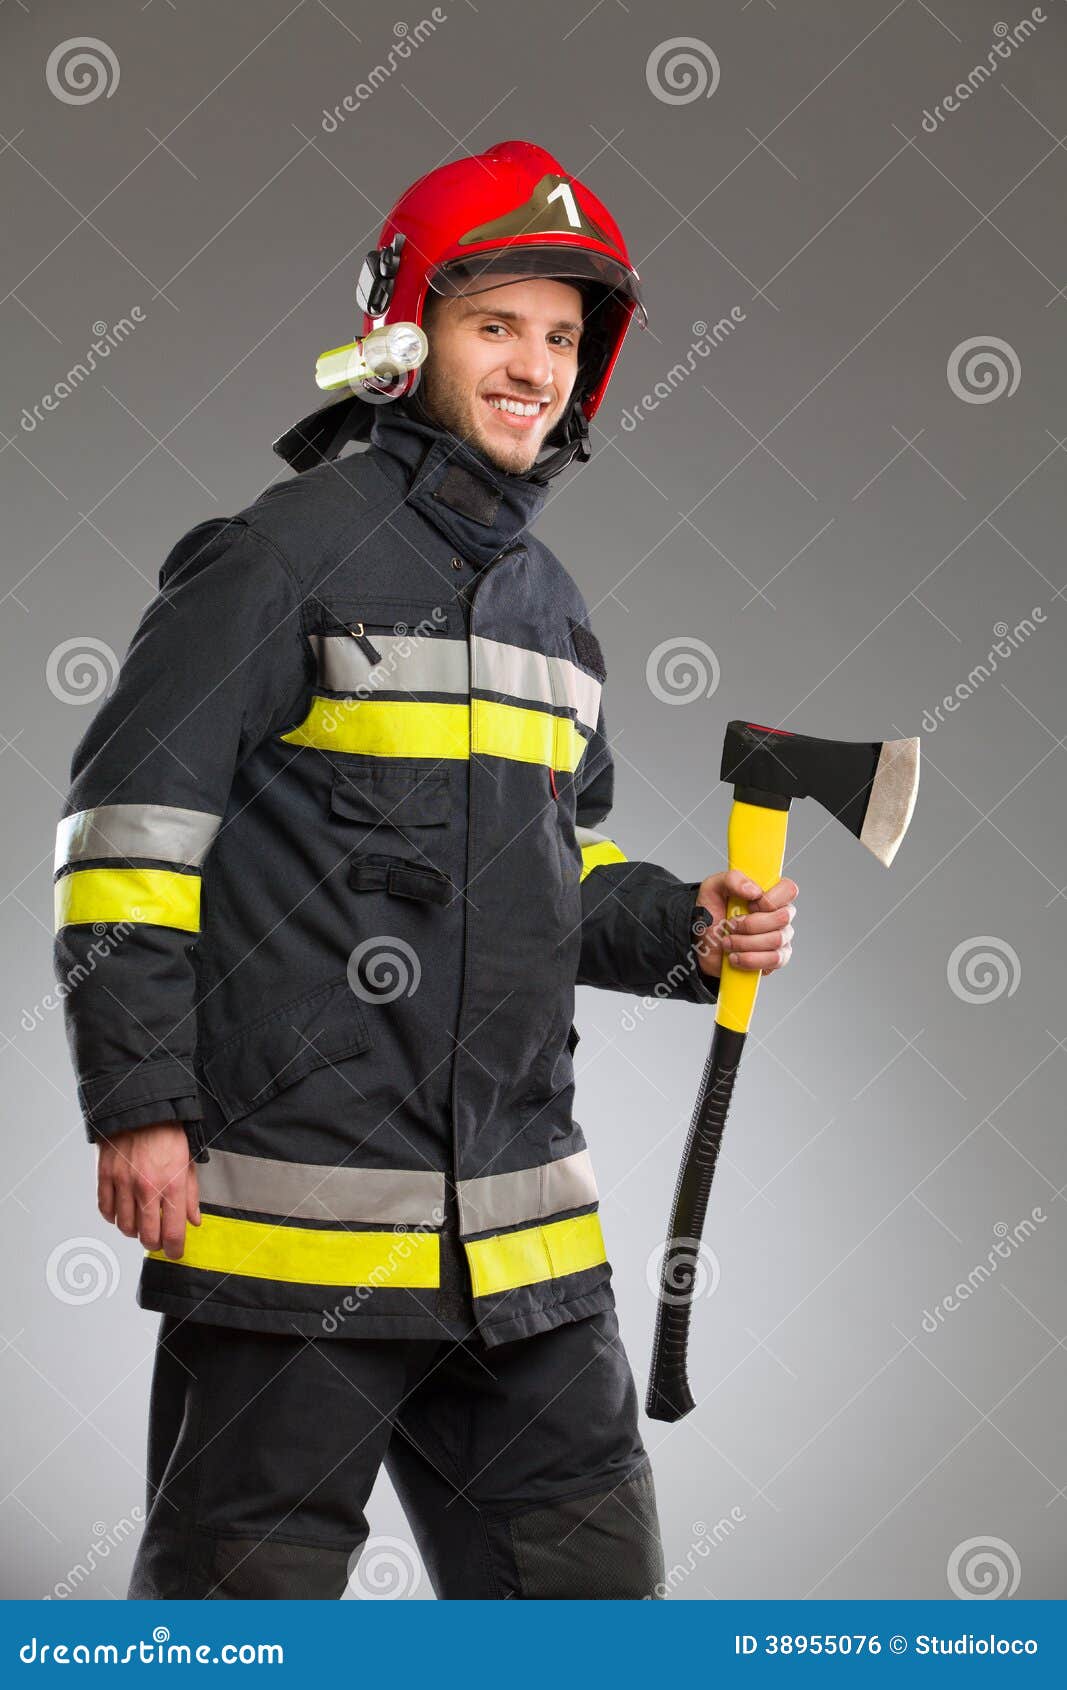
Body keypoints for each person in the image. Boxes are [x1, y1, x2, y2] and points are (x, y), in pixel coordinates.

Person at [52, 140, 798, 1599]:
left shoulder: (554, 617)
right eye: (497, 323)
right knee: (241, 1622)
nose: (535, 365)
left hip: (520, 1247)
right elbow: (126, 838)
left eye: (564, 337)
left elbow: (550, 876)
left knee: (589, 1619)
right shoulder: (272, 562)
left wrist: (687, 928)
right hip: (296, 1237)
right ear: (406, 336)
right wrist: (140, 1100)